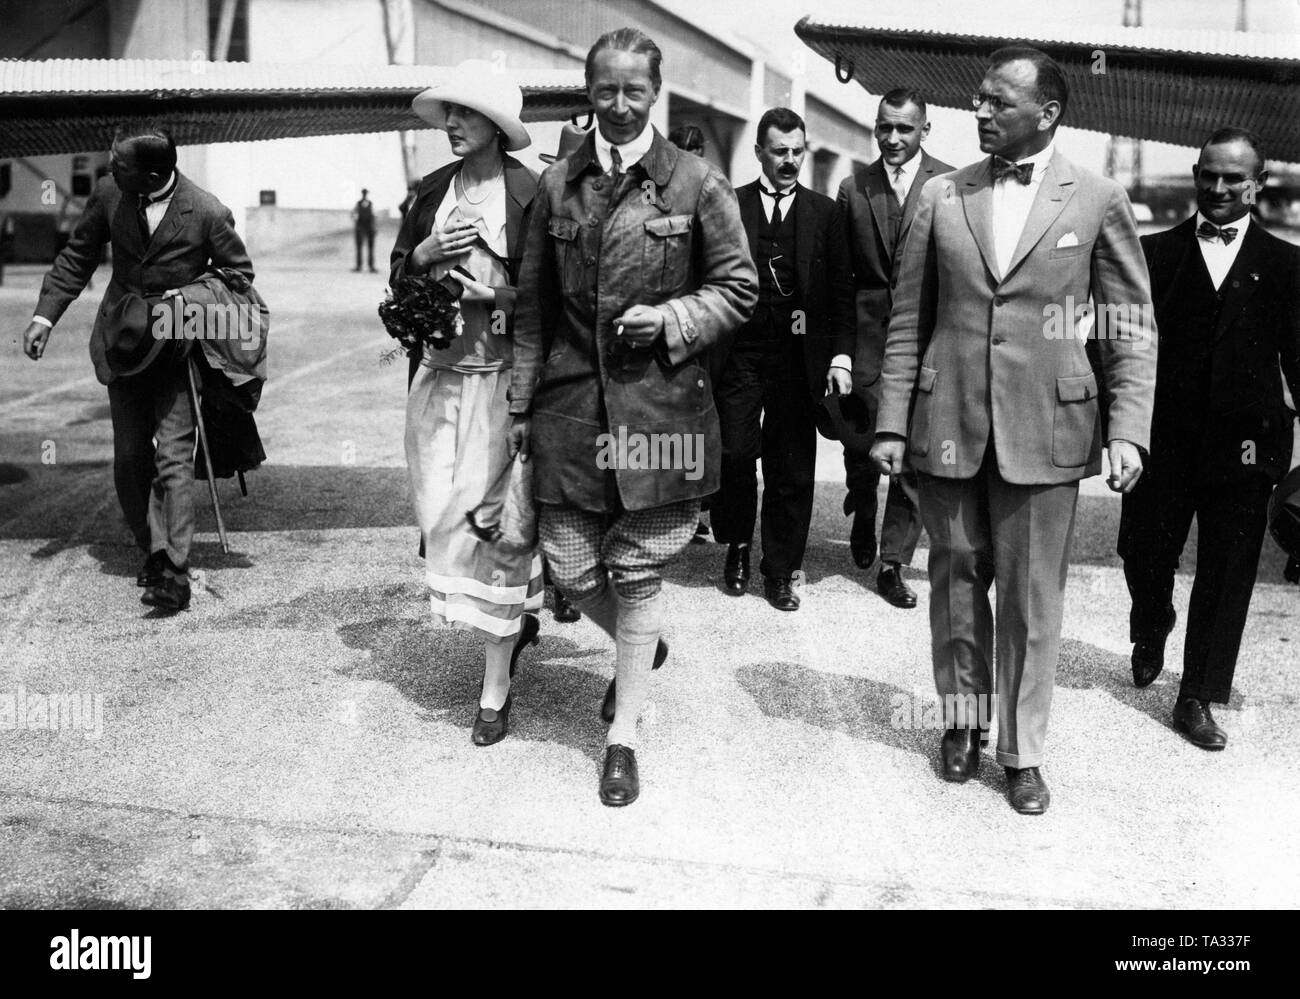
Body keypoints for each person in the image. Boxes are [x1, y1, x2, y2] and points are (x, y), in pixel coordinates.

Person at [869, 46, 1157, 814]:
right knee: (955, 580)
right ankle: (961, 720)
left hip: (1050, 429)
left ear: (1048, 112)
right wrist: (892, 424)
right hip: (950, 420)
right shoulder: (940, 195)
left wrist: (1128, 429)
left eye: (999, 101)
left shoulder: (1095, 199)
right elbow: (908, 319)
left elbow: (1130, 325)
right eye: (980, 100)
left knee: (1034, 599)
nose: (981, 112)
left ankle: (1023, 752)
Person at [510, 27, 757, 806]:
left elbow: (740, 287)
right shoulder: (558, 185)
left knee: (640, 566)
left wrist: (677, 318)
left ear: (657, 93)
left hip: (660, 413)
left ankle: (623, 738)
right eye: (604, 91)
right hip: (571, 408)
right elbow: (530, 308)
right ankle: (638, 648)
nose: (618, 106)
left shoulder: (694, 183)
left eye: (634, 92)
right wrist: (520, 405)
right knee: (572, 565)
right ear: (589, 94)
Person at [21, 126, 254, 613]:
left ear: (151, 174)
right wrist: (45, 316)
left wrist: (188, 297)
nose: (108, 169)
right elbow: (79, 256)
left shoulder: (206, 210)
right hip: (123, 341)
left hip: (176, 344)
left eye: (117, 164)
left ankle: (173, 568)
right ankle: (151, 545)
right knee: (130, 457)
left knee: (173, 456)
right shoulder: (111, 195)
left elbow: (238, 275)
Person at [1119, 127, 1300, 750]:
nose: (1219, 189)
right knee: (1143, 552)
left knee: (1228, 572)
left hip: (1247, 449)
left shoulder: (1286, 264)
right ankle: (1152, 620)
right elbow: (1116, 344)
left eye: (1233, 179)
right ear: (1196, 175)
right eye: (1208, 176)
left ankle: (1197, 694)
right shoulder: (1152, 254)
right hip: (1160, 440)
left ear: (1258, 184)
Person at [390, 61, 544, 746]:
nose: (450, 123)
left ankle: (495, 688)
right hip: (437, 383)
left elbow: (557, 299)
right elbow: (398, 280)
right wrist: (422, 254)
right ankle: (517, 622)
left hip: (499, 387)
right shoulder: (431, 192)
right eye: (448, 112)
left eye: (464, 113)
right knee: (439, 515)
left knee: (492, 534)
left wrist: (496, 299)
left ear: (497, 127)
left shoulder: (530, 196)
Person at [713, 107, 854, 611]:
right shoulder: (730, 204)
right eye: (779, 152)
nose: (790, 160)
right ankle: (736, 544)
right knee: (732, 454)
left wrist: (840, 356)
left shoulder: (825, 214)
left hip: (800, 357)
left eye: (797, 151)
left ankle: (778, 571)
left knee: (790, 466)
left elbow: (841, 292)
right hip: (740, 353)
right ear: (759, 154)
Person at [836, 90, 953, 609]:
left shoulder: (952, 184)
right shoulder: (853, 187)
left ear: (924, 130)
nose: (893, 138)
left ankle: (892, 564)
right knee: (863, 447)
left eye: (905, 129)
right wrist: (839, 354)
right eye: (885, 127)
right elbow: (839, 280)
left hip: (924, 344)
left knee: (913, 461)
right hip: (866, 345)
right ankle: (862, 505)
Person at [352, 188, 377, 272]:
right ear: (362, 194)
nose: (364, 195)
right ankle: (359, 266)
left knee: (371, 248)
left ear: (367, 194)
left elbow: (374, 216)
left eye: (365, 194)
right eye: (363, 194)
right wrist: (357, 222)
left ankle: (371, 266)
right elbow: (353, 214)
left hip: (369, 228)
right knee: (359, 247)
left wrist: (374, 227)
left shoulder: (370, 204)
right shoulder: (358, 204)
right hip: (360, 228)